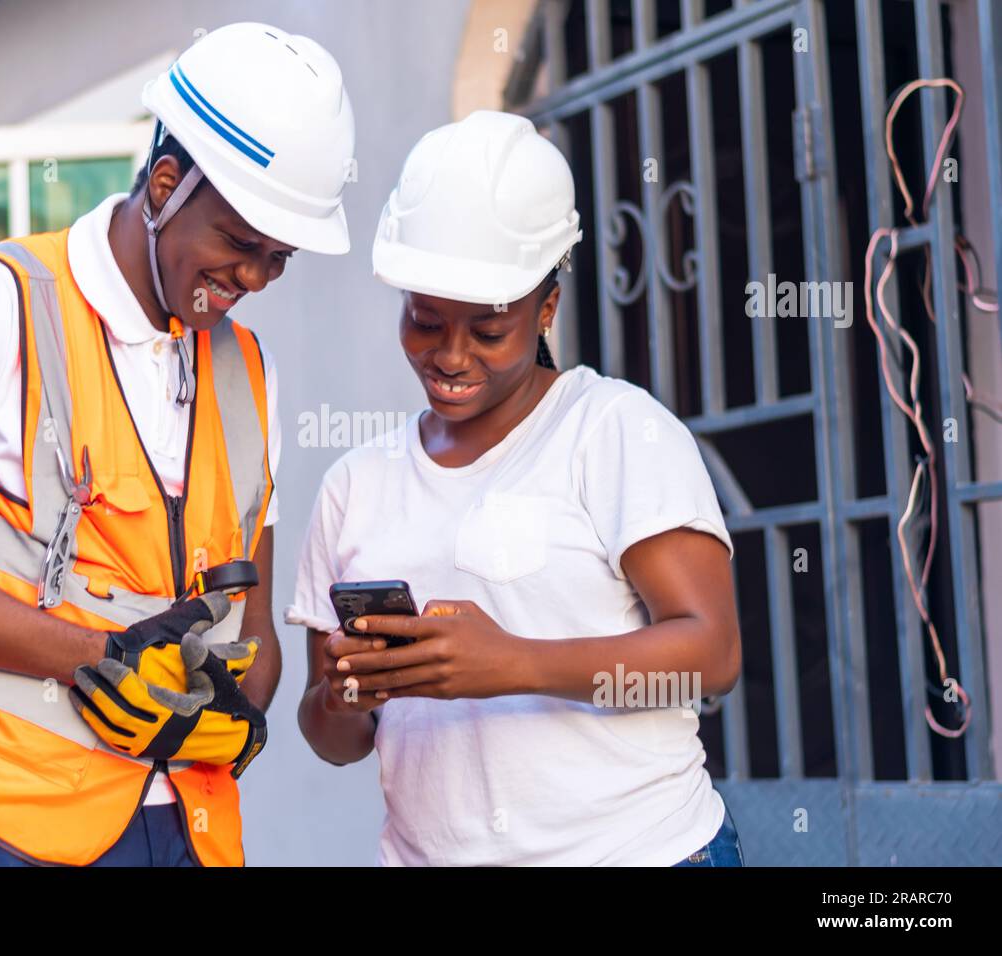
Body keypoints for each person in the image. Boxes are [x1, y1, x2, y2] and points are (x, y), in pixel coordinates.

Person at [0, 22, 356, 867]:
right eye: (240, 244)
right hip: (8, 817)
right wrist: (96, 657)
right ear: (165, 185)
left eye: (278, 258)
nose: (253, 279)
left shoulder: (251, 371)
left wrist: (235, 703)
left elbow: (255, 630)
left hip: (190, 828)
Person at [287, 110, 744, 866]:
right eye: (425, 321)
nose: (451, 356)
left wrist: (510, 663)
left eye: (489, 331)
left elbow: (712, 650)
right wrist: (346, 695)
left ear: (547, 310)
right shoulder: (353, 485)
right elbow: (332, 741)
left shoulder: (615, 430)